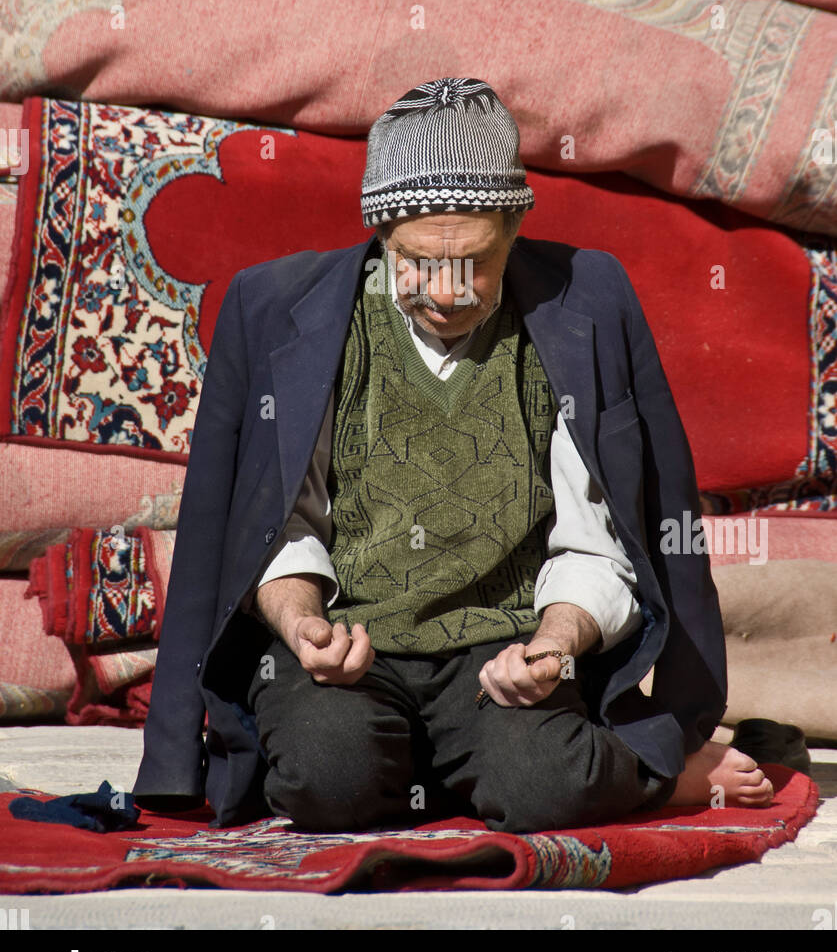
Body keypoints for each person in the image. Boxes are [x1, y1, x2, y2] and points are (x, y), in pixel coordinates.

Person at [133, 76, 774, 829]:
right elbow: (267, 528)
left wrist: (553, 643)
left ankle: (605, 770)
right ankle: (455, 766)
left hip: (503, 649)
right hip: (350, 646)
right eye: (415, 262)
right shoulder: (276, 308)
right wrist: (302, 622)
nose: (444, 290)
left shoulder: (581, 304)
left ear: (512, 229)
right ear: (378, 234)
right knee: (324, 781)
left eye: (473, 262)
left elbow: (599, 537)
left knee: (543, 786)